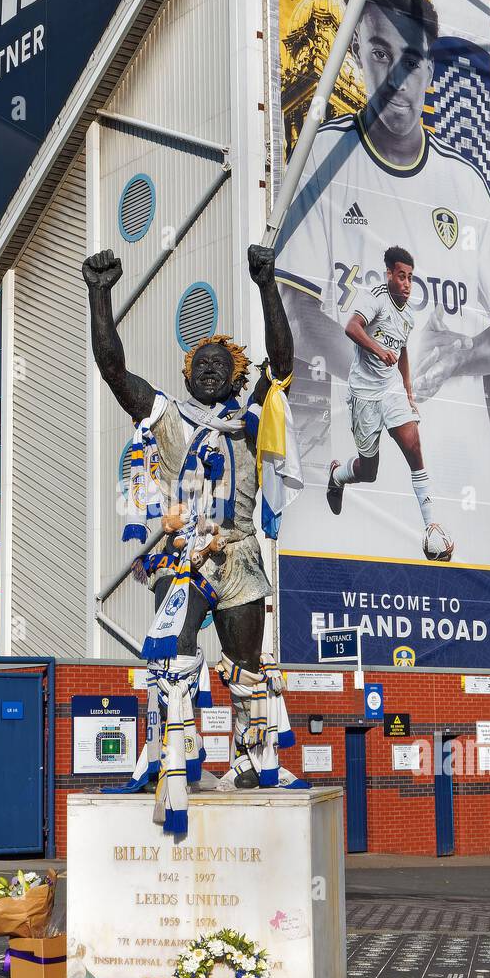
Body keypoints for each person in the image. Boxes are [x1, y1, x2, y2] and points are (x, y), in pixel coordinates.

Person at [82, 244, 303, 830]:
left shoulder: (253, 416)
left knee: (246, 668)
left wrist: (266, 282)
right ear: (186, 375)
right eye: (198, 363)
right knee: (174, 656)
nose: (207, 368)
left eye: (218, 362)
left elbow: (281, 365)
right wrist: (99, 296)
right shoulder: (171, 417)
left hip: (239, 554)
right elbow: (113, 372)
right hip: (184, 556)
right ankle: (172, 763)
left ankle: (254, 762)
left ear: (235, 371)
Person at [273, 0, 490, 487]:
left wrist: (465, 353)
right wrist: (383, 373)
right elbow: (293, 310)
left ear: (428, 71)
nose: (398, 79)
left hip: (467, 474)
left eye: (412, 60)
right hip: (362, 483)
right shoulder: (324, 155)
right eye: (381, 53)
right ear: (356, 52)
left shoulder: (466, 183)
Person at [326, 245, 453, 560]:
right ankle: (338, 476)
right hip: (364, 395)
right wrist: (378, 350)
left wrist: (408, 391)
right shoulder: (376, 298)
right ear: (389, 275)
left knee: (415, 448)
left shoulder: (408, 314)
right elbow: (351, 327)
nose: (407, 283)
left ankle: (431, 526)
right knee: (369, 471)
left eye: (410, 277)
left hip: (391, 391)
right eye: (401, 276)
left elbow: (404, 351)